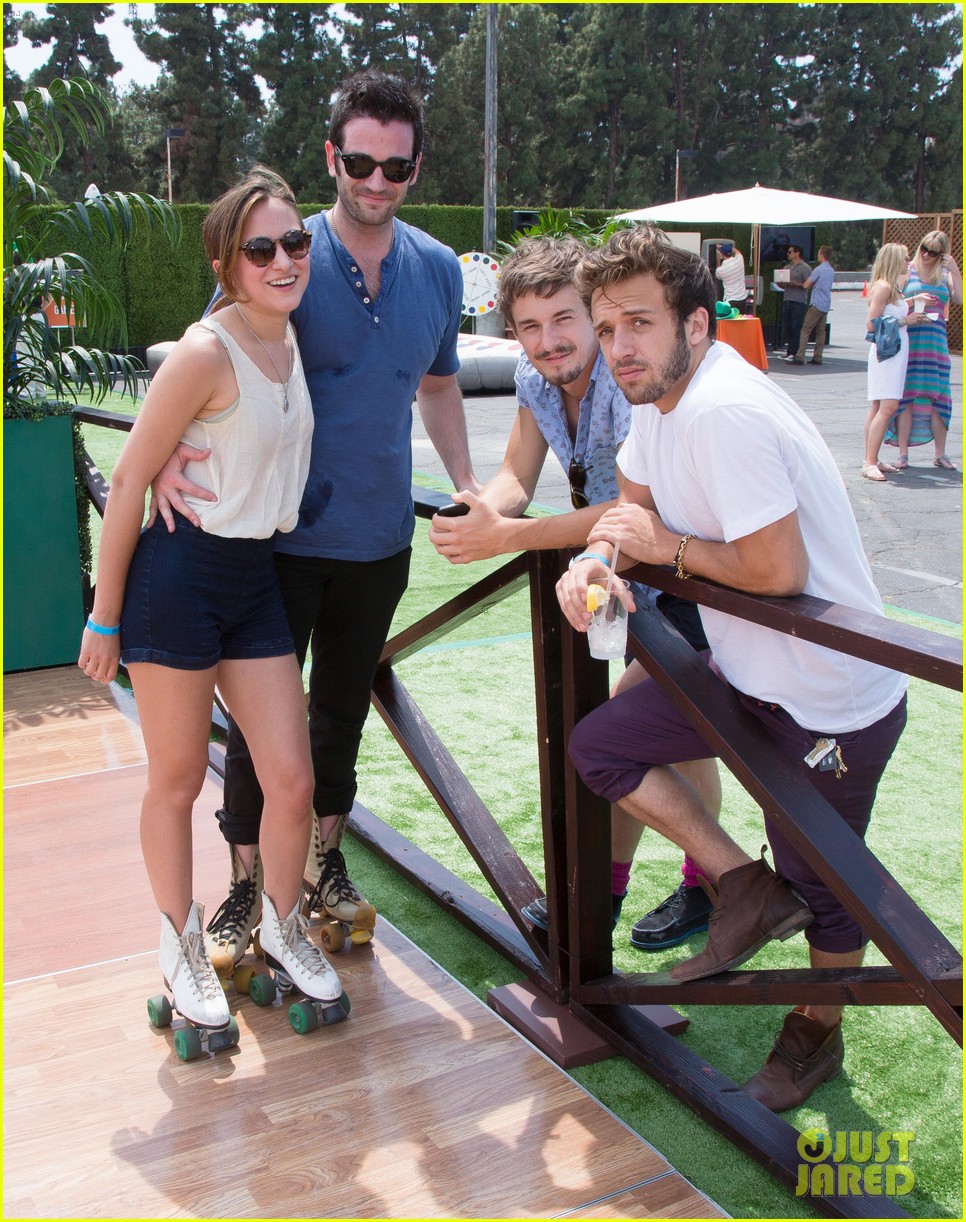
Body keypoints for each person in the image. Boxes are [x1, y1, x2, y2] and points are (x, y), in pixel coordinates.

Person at [557, 225, 907, 1112]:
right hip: (748, 674)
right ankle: (743, 885)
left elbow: (777, 572)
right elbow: (629, 507)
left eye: (638, 323)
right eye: (606, 329)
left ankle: (815, 1029)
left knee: (829, 892)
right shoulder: (658, 397)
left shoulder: (724, 411)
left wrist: (660, 547)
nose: (620, 347)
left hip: (834, 698)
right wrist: (596, 557)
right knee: (602, 746)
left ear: (698, 326)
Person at [152, 70, 479, 968]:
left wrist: (466, 479)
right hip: (280, 544)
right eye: (361, 162)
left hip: (383, 540)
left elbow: (441, 384)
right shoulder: (284, 253)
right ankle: (247, 880)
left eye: (397, 167)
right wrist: (165, 453)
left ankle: (326, 863)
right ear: (334, 156)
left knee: (340, 713)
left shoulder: (439, 270)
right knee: (267, 730)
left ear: (416, 168)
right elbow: (200, 347)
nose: (377, 182)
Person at [77, 167, 346, 1034]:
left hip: (250, 579)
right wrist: (104, 613)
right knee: (180, 777)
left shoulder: (288, 336)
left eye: (294, 243)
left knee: (292, 780)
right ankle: (178, 942)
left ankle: (280, 926)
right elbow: (126, 478)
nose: (282, 259)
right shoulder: (205, 349)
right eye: (260, 247)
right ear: (227, 261)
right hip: (178, 580)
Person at [429, 234, 720, 951]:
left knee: (633, 729)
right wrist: (483, 509)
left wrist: (511, 537)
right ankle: (656, 890)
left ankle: (681, 888)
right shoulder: (538, 383)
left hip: (690, 575)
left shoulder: (633, 384)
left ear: (596, 316)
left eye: (564, 319)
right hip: (625, 577)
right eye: (529, 326)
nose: (548, 341)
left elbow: (630, 509)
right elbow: (517, 474)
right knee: (674, 741)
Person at [885, 230, 963, 469]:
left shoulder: (943, 273)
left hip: (936, 342)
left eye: (934, 252)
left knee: (940, 397)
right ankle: (903, 454)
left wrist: (956, 270)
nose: (927, 255)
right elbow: (893, 300)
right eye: (924, 249)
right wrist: (915, 299)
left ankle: (940, 454)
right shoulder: (908, 271)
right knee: (907, 396)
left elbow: (959, 299)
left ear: (942, 254)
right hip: (911, 339)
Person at [861, 243, 922, 482]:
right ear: (895, 260)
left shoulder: (890, 286)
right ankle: (869, 462)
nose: (909, 261)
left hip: (892, 352)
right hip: (888, 353)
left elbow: (888, 312)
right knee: (887, 407)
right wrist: (907, 320)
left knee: (878, 406)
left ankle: (871, 458)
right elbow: (871, 323)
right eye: (906, 258)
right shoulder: (884, 287)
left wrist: (914, 299)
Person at [793, 245, 835, 365]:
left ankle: (800, 356)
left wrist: (797, 284)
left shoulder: (818, 269)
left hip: (816, 303)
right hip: (826, 303)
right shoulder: (831, 270)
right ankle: (818, 356)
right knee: (821, 331)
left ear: (822, 255)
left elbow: (806, 285)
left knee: (806, 329)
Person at [780, 244, 811, 360]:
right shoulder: (786, 267)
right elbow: (783, 285)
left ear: (797, 253)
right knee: (787, 326)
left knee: (795, 326)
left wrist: (797, 284)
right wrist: (781, 283)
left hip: (798, 301)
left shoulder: (805, 268)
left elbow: (809, 284)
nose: (788, 254)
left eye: (790, 252)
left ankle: (794, 352)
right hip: (787, 299)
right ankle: (789, 352)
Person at [714, 243, 748, 312]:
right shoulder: (739, 259)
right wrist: (726, 247)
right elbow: (737, 251)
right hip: (742, 299)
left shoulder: (721, 270)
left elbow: (717, 275)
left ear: (721, 254)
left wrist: (718, 260)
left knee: (730, 322)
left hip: (730, 301)